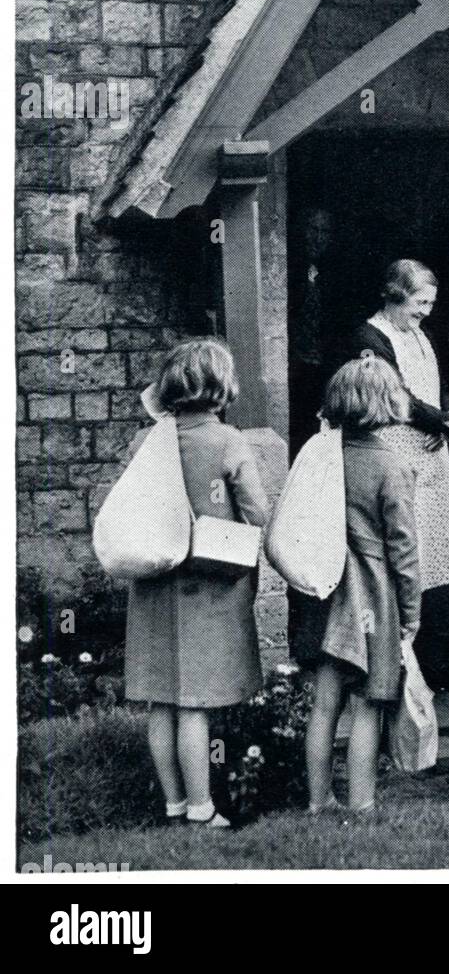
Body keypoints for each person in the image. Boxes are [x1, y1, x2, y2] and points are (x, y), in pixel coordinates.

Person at [124, 339, 269, 829]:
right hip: (208, 584)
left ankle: (173, 804)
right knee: (195, 704)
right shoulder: (228, 441)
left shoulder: (147, 441)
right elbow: (257, 513)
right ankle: (203, 808)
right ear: (221, 387)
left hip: (154, 582)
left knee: (161, 700)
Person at [341, 259, 449, 688]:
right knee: (406, 548)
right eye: (419, 302)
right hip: (395, 454)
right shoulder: (370, 339)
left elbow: (432, 388)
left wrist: (446, 421)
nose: (425, 311)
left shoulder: (418, 334)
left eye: (430, 303)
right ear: (394, 295)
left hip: (430, 454)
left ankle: (441, 658)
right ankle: (406, 657)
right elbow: (396, 395)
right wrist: (446, 422)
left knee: (439, 548)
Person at [303, 356, 421, 818]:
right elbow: (404, 551)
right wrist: (411, 612)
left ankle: (317, 801)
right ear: (390, 403)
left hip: (326, 586)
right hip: (373, 592)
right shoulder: (393, 465)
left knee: (324, 704)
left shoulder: (321, 454)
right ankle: (362, 803)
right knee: (370, 702)